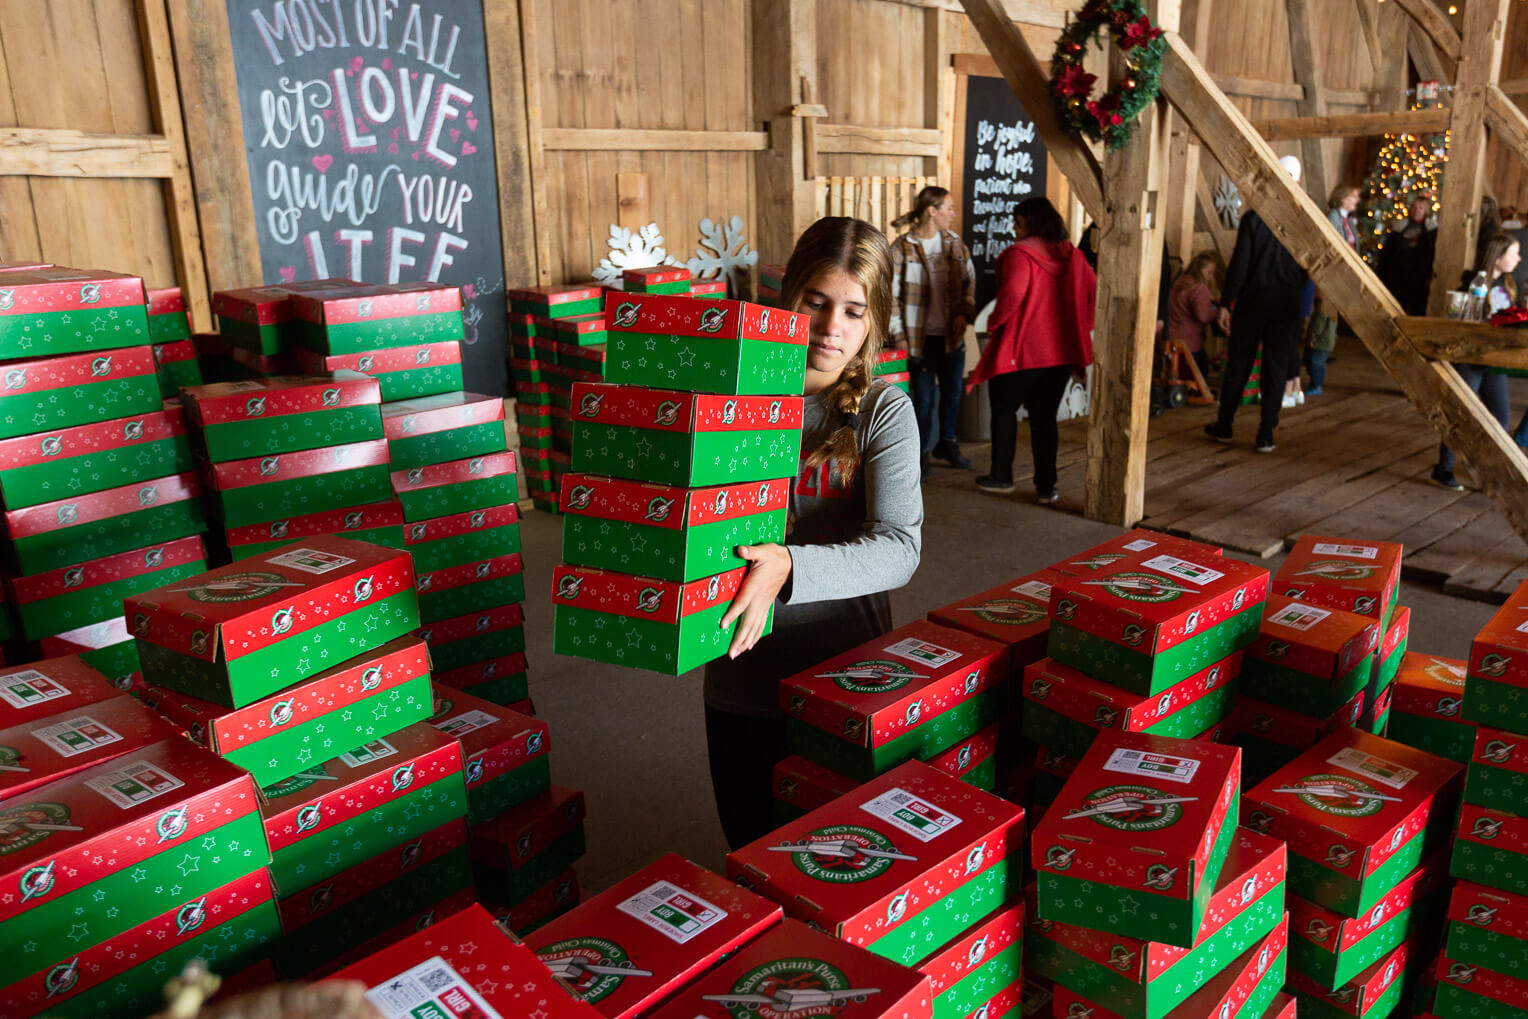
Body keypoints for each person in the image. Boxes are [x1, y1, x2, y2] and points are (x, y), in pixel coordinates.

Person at [703, 217, 923, 850]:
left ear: (874, 320)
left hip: (843, 681)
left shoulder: (883, 410)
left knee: (835, 863)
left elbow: (900, 549)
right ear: (788, 297)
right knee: (749, 852)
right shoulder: (732, 399)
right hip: (738, 676)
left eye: (853, 311)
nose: (832, 327)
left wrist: (789, 567)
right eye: (817, 303)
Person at [968, 196, 1096, 502]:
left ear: (1031, 223)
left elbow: (1012, 294)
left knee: (1003, 407)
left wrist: (996, 321)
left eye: (1018, 221)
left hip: (1022, 350)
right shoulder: (1073, 256)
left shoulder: (1020, 254)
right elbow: (1093, 291)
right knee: (1044, 418)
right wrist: (1078, 326)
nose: (1013, 227)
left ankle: (1002, 476)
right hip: (1060, 353)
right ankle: (1045, 486)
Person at [1204, 155, 1310, 454]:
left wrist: (1226, 303)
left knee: (1239, 365)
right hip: (1286, 306)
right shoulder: (1305, 223)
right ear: (1297, 181)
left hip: (1252, 304)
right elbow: (1308, 269)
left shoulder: (1254, 218)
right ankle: (1266, 434)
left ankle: (1224, 426)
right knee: (1275, 369)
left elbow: (1240, 265)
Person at [889, 186, 978, 478]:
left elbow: (969, 283)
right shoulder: (902, 248)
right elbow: (890, 297)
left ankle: (948, 444)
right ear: (932, 211)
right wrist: (899, 336)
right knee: (924, 399)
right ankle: (922, 451)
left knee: (953, 393)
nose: (953, 214)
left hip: (951, 337)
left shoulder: (955, 244)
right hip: (918, 339)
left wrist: (965, 314)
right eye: (948, 208)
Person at [1433, 233, 1519, 490]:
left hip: (1494, 362)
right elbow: (1461, 320)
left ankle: (1489, 472)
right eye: (1513, 254)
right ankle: (1443, 468)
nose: (1518, 259)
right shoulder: (1473, 284)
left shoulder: (1507, 286)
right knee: (1460, 415)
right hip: (1471, 361)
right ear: (1498, 257)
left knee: (1501, 417)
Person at [1168, 251, 1222, 384]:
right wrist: (1220, 312)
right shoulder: (1199, 288)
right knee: (1201, 374)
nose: (1210, 277)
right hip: (1190, 344)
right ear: (1201, 270)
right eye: (1209, 272)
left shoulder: (1180, 281)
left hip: (1171, 336)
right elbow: (1203, 316)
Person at [1378, 197, 1437, 316]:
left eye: (1421, 208)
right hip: (1398, 275)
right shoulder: (1399, 227)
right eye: (1415, 207)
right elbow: (1387, 252)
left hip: (1419, 276)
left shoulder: (1431, 230)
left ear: (1426, 211)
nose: (1417, 210)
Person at [1305, 289, 1337, 396]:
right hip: (1328, 341)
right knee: (1320, 364)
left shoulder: (1323, 306)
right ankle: (1316, 385)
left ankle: (1316, 386)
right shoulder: (1332, 305)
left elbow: (1318, 324)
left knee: (1314, 363)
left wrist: (1312, 339)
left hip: (1321, 341)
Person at [1328, 184, 1362, 251]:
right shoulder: (1334, 216)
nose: (1358, 200)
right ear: (1343, 199)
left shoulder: (1349, 219)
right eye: (1354, 196)